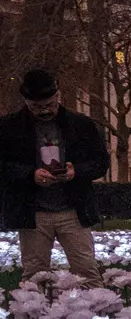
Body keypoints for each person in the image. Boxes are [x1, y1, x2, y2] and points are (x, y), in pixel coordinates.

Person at [0, 69, 107, 281]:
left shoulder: (81, 125)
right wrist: (30, 174)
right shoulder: (9, 128)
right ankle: (36, 312)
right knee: (35, 277)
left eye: (49, 104)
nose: (44, 111)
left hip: (73, 210)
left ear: (58, 95)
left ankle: (93, 311)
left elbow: (101, 162)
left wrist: (76, 171)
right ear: (26, 102)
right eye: (36, 107)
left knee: (87, 272)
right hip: (33, 213)